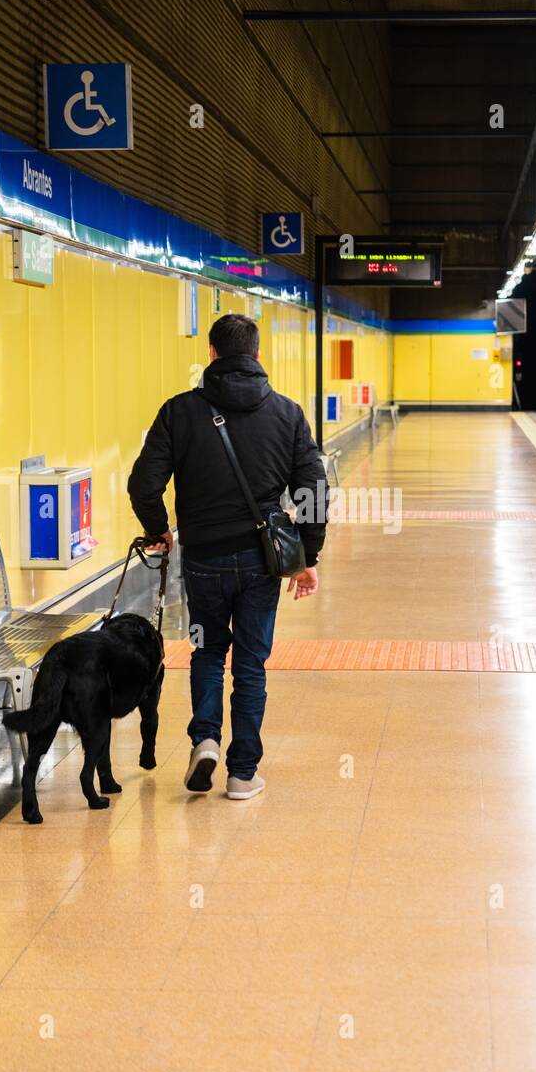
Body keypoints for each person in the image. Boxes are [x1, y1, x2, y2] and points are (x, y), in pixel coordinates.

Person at [128, 313, 327, 799]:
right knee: (251, 664)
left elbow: (143, 484)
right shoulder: (287, 414)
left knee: (207, 650)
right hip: (262, 562)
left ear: (212, 353)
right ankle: (242, 773)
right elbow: (313, 490)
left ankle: (205, 740)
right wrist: (308, 555)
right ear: (257, 355)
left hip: (203, 560)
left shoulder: (178, 411)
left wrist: (158, 530)